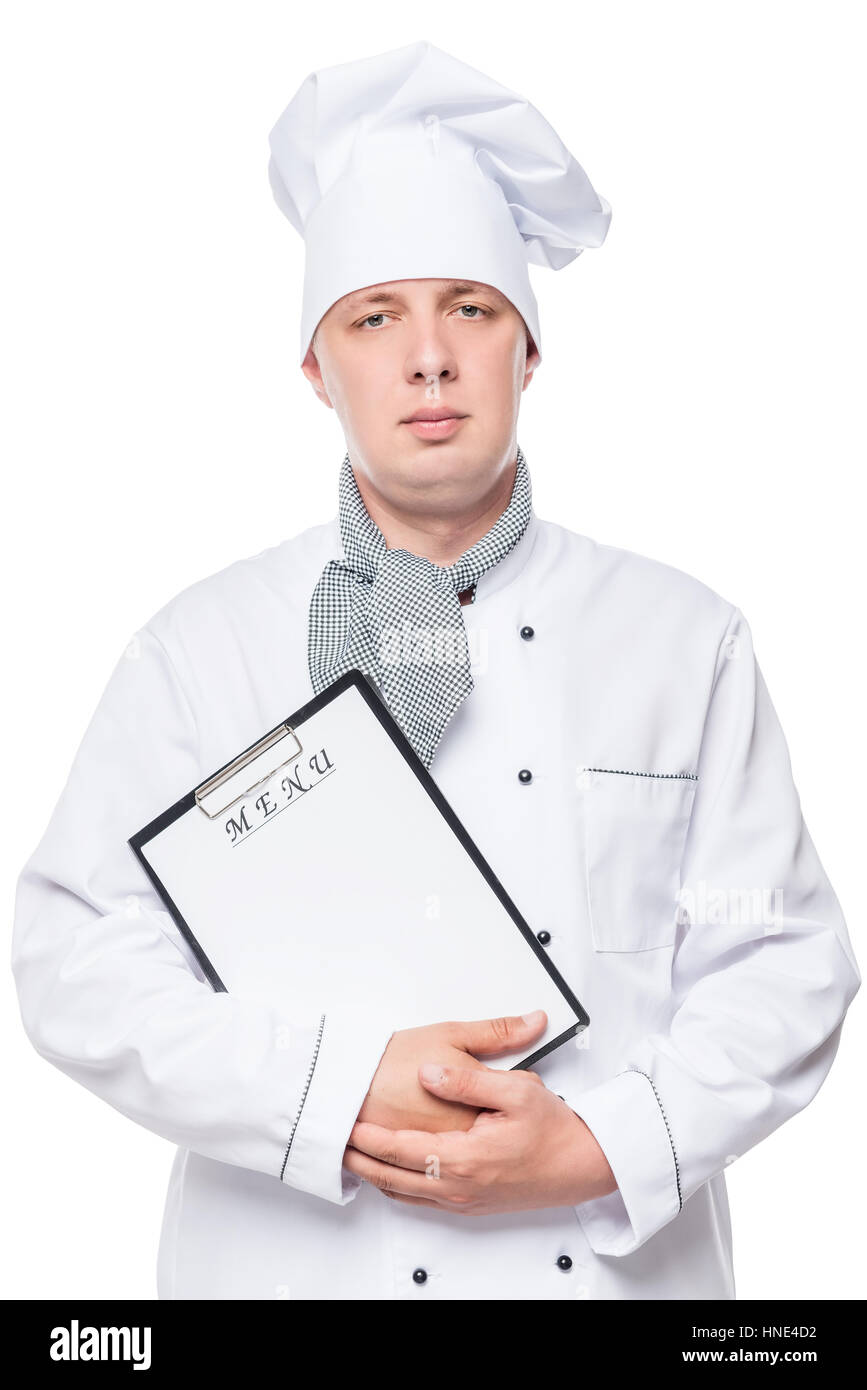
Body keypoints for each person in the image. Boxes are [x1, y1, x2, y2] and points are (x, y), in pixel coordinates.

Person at [11, 38, 860, 1301]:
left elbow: (784, 960)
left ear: (530, 352)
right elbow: (74, 957)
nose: (427, 357)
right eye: (373, 316)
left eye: (470, 307)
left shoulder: (687, 639)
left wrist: (593, 1143)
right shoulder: (203, 649)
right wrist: (331, 1086)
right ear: (317, 369)